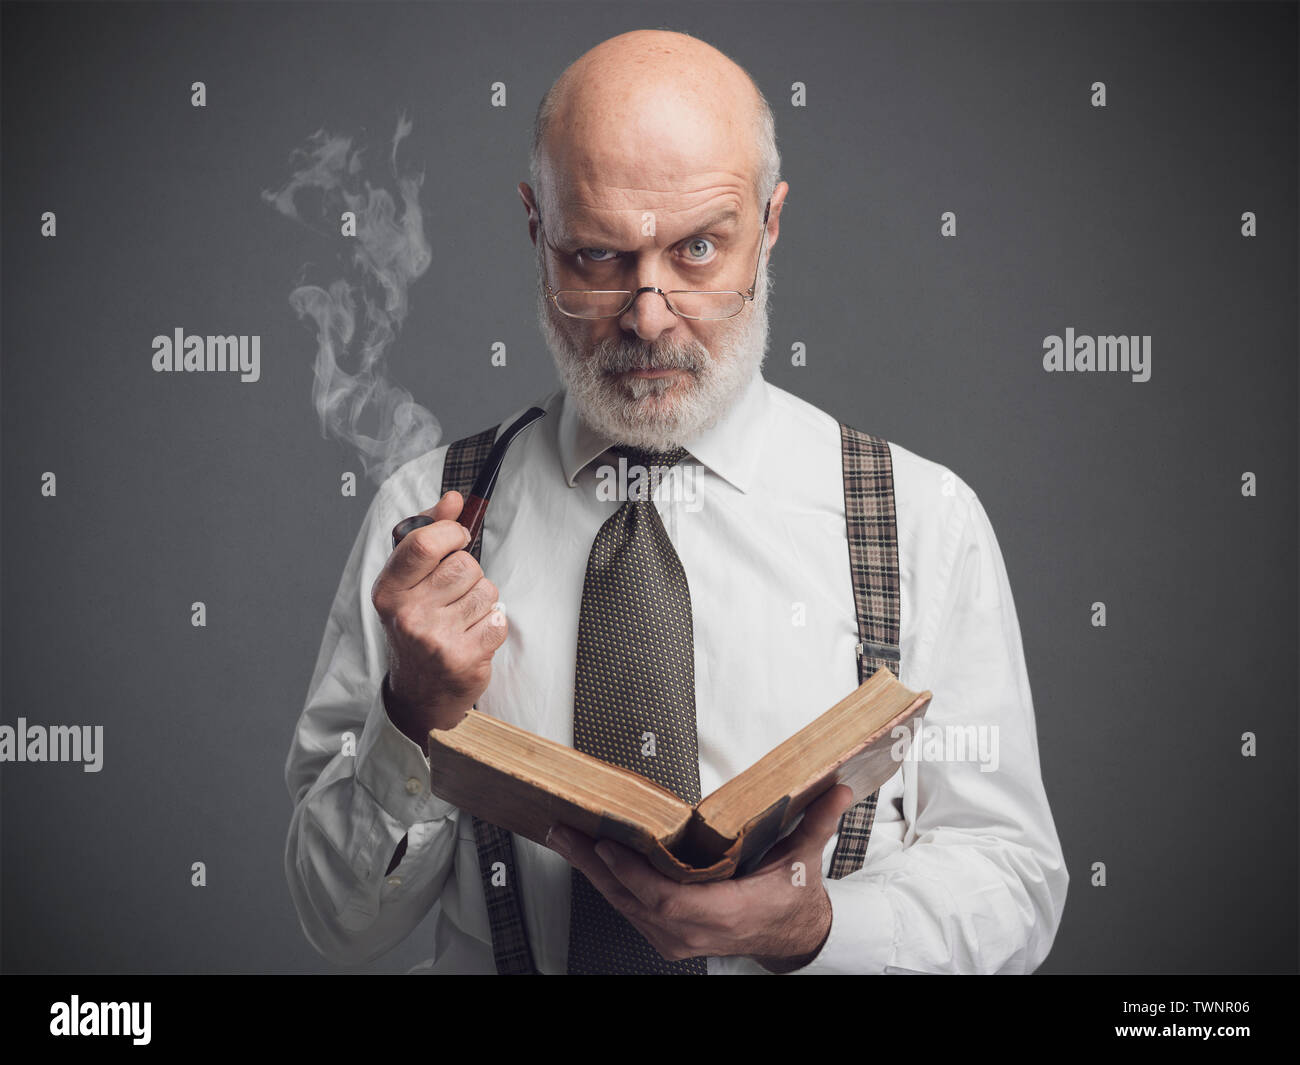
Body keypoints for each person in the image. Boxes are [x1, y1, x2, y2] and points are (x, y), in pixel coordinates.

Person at [284, 28, 1068, 974]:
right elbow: (339, 922)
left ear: (770, 226)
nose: (648, 314)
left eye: (697, 248)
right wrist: (411, 714)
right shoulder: (427, 524)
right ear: (537, 229)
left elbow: (1015, 877)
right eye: (598, 255)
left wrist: (817, 932)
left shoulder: (923, 520)